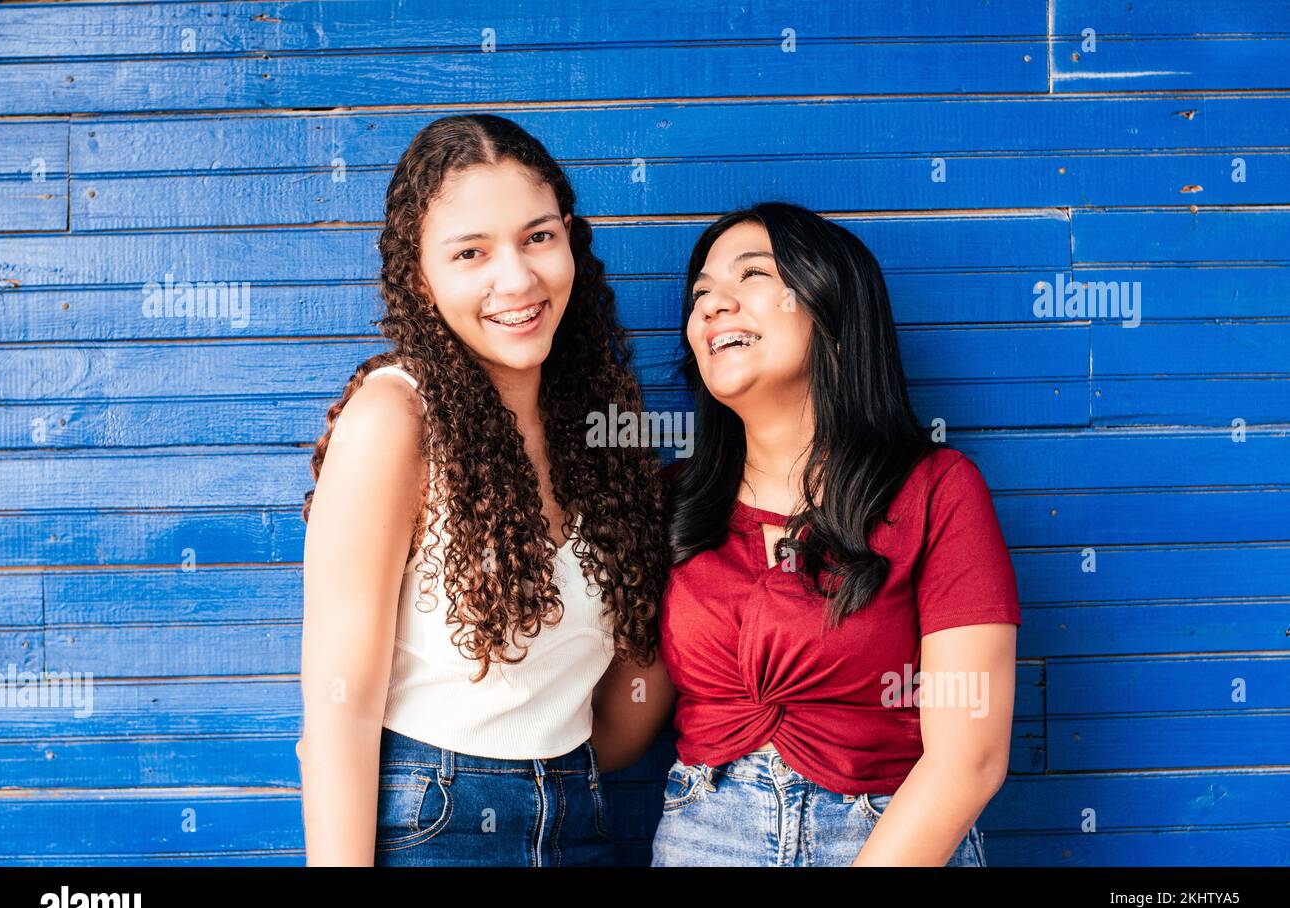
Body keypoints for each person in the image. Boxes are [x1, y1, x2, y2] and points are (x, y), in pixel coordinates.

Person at [297, 114, 671, 866]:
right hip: (435, 818)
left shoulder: (603, 428)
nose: (518, 279)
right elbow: (338, 718)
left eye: (538, 237)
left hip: (580, 815)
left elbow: (620, 701)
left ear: (571, 238)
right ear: (420, 275)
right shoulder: (396, 418)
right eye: (471, 252)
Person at [652, 202, 1021, 866]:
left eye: (751, 277)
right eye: (701, 295)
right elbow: (612, 728)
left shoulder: (938, 490)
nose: (711, 307)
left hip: (886, 837)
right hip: (705, 834)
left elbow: (971, 760)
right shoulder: (673, 503)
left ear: (831, 308)